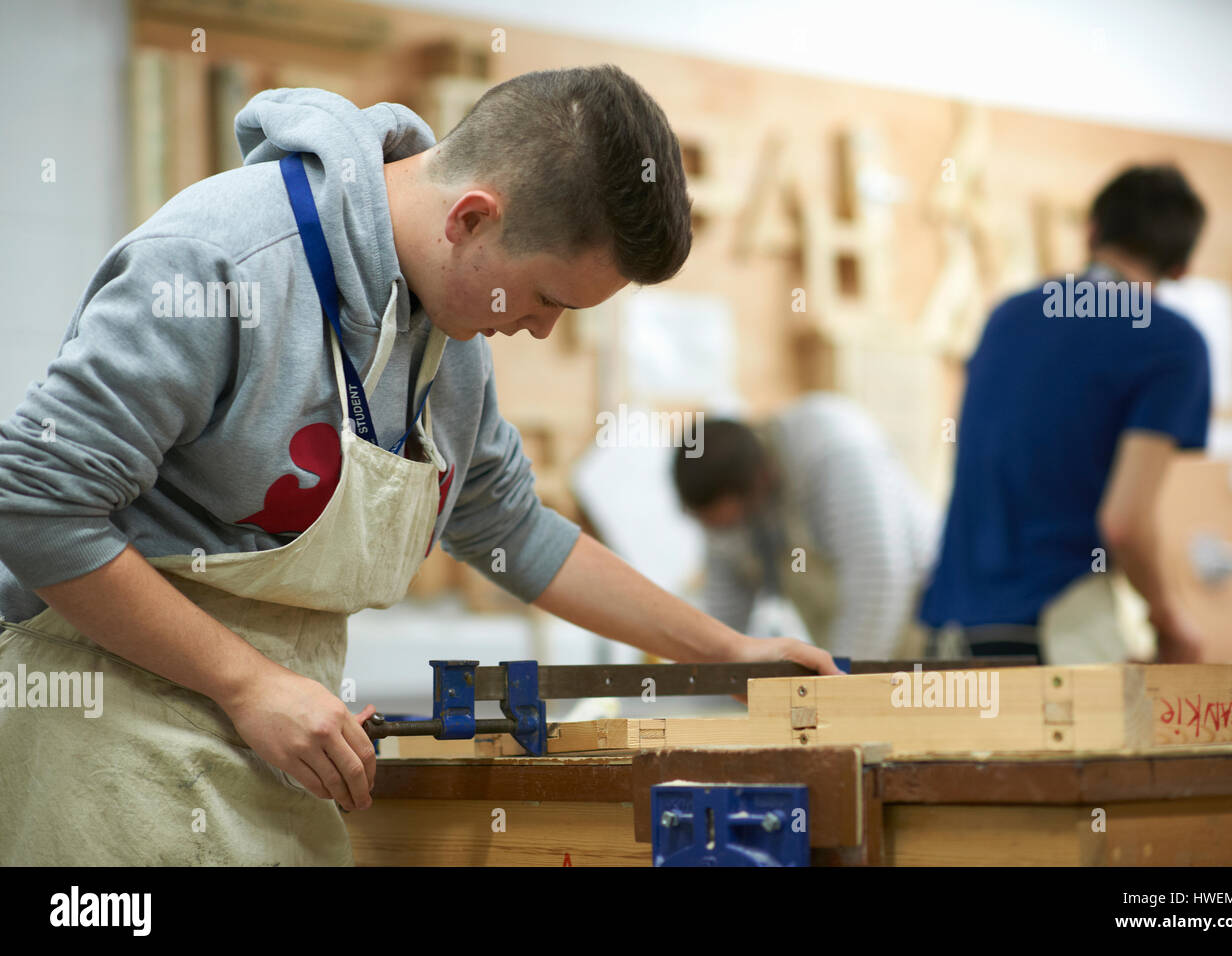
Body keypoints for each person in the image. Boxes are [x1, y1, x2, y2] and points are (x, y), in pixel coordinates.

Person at [0, 67, 838, 866]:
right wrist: (249, 683)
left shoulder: (450, 335)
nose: (544, 331)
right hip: (104, 740)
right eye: (548, 299)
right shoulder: (220, 263)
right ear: (471, 219)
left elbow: (514, 529)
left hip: (276, 751)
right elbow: (34, 505)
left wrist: (728, 652)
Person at [918, 165, 1211, 665]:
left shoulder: (1007, 315)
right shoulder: (1171, 344)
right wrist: (1172, 621)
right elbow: (1124, 525)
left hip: (947, 636)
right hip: (1052, 640)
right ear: (1182, 266)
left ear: (1092, 232)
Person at [672, 393, 937, 660]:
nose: (724, 536)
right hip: (853, 648)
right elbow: (725, 623)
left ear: (757, 483)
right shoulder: (722, 503)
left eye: (727, 522)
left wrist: (840, 685)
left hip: (921, 621)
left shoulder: (831, 447)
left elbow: (879, 577)